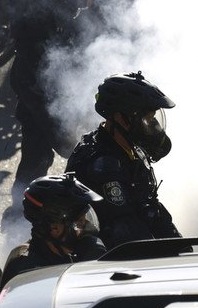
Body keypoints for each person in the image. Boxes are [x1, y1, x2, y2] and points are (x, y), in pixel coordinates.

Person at [4, 0, 104, 221]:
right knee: (74, 148)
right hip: (40, 72)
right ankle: (97, 210)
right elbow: (66, 16)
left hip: (35, 68)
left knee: (36, 150)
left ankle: (20, 213)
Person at [65, 72, 181, 248]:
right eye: (147, 119)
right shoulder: (101, 164)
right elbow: (126, 231)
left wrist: (181, 248)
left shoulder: (130, 150)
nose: (152, 126)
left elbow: (150, 209)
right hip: (106, 259)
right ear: (121, 117)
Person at [1, 173, 106, 285]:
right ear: (54, 228)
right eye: (78, 224)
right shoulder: (30, 270)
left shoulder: (60, 255)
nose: (87, 228)